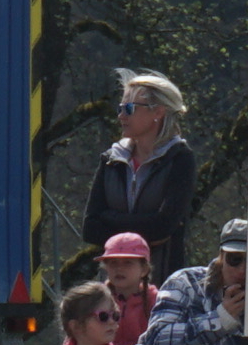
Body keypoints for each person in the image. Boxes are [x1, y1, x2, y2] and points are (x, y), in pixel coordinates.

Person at [82, 69, 196, 285]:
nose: (121, 116)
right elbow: (90, 228)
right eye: (120, 108)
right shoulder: (110, 160)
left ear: (158, 112)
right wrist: (144, 226)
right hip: (112, 288)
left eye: (129, 109)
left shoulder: (180, 159)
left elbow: (164, 226)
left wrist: (110, 217)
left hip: (162, 284)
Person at [98, 232, 158, 345]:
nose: (119, 268)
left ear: (144, 269)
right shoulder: (95, 299)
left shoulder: (157, 301)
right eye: (113, 262)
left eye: (128, 262)